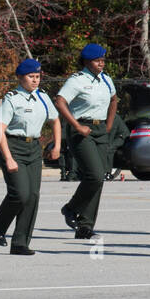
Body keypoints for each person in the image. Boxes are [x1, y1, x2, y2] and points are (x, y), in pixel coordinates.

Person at [0, 58, 61, 255]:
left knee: (33, 197)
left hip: (34, 149)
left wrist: (57, 146)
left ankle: (20, 242)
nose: (35, 80)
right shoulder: (12, 98)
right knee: (20, 194)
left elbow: (55, 120)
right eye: (31, 77)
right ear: (20, 78)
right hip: (13, 147)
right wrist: (9, 158)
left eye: (38, 77)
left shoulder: (43, 97)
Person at [56, 43, 117, 239]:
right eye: (97, 60)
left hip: (100, 129)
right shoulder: (77, 80)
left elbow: (114, 99)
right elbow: (60, 101)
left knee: (99, 179)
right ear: (87, 62)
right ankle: (71, 208)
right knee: (95, 175)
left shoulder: (106, 80)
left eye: (103, 60)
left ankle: (85, 226)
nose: (101, 63)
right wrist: (76, 125)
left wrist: (108, 125)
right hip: (82, 129)